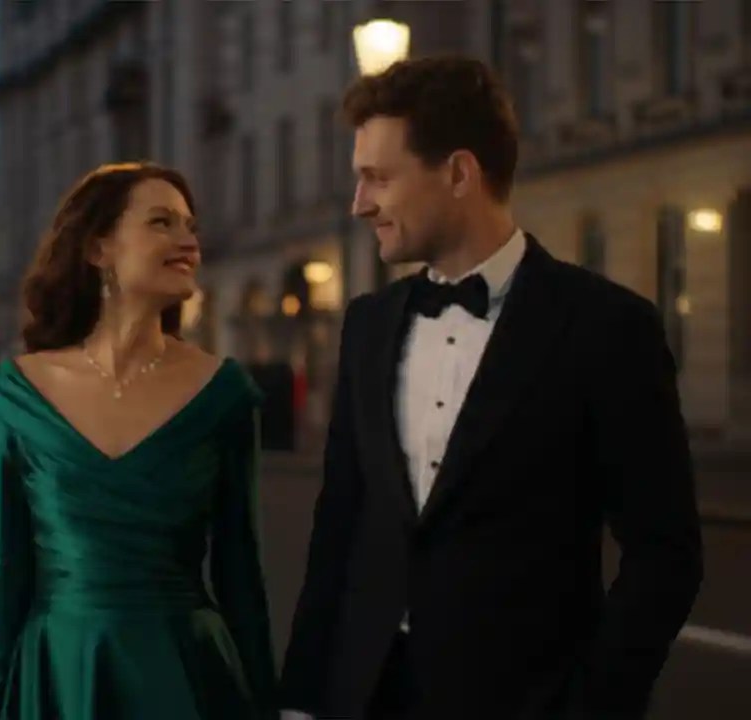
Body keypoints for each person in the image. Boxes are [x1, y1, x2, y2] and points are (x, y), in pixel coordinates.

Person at [279, 56, 703, 720]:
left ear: (457, 173)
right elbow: (339, 531)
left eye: (377, 178)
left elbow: (665, 554)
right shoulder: (368, 325)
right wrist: (302, 700)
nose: (359, 204)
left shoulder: (607, 326)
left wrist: (593, 705)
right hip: (362, 698)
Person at [0, 162, 276, 719]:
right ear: (98, 249)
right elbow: (7, 567)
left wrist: (265, 702)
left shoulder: (223, 393)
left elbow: (242, 573)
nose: (188, 240)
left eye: (191, 225)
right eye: (162, 222)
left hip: (186, 673)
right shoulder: (17, 395)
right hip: (63, 673)